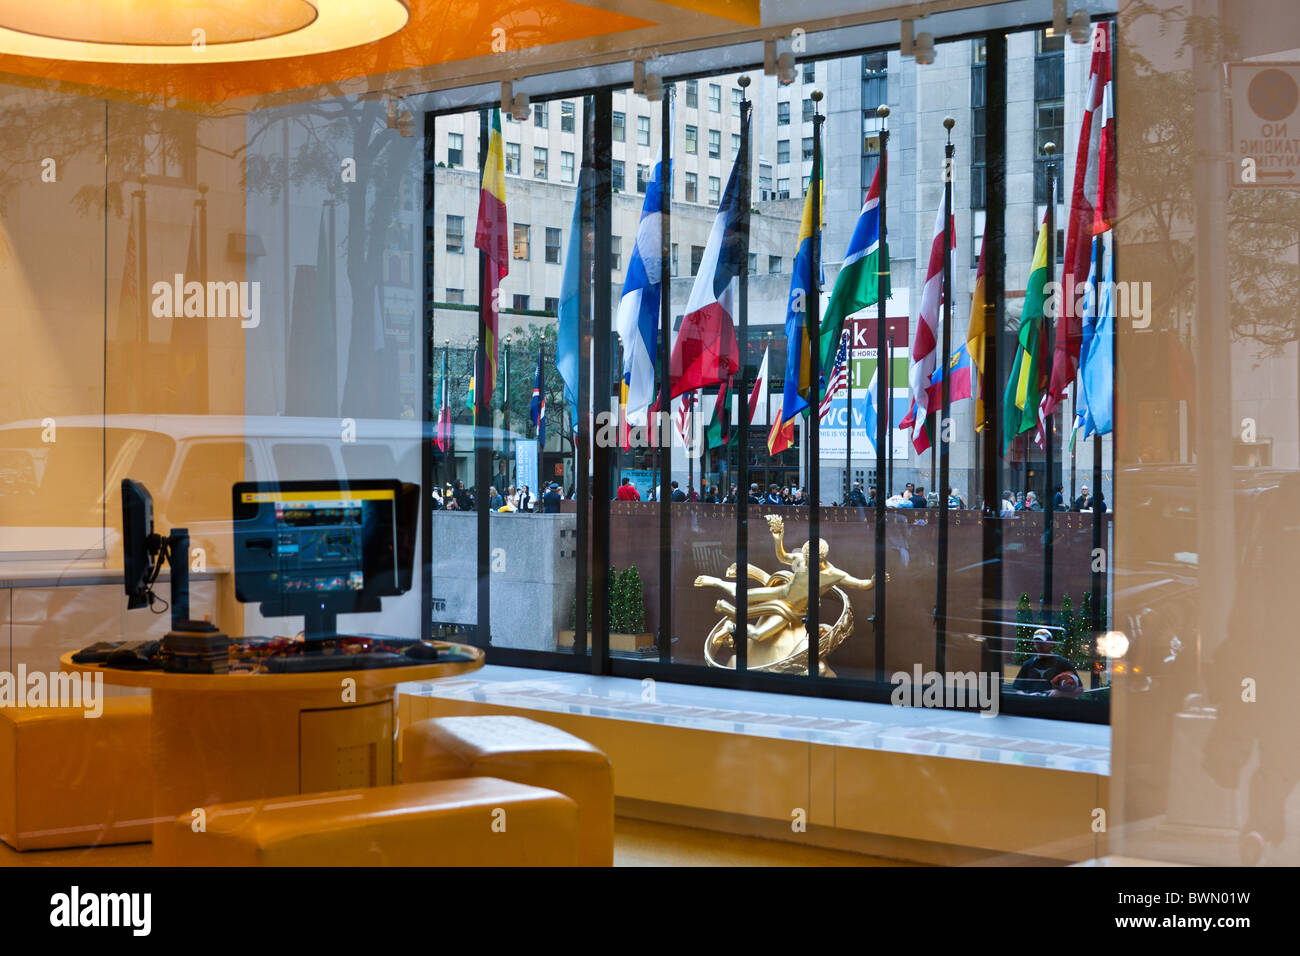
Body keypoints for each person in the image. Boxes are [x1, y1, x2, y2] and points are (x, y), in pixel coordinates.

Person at [1011, 628, 1083, 697]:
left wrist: (1060, 694)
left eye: (1043, 642)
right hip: (1032, 706)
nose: (1039, 645)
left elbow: (1079, 690)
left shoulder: (1063, 663)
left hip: (1054, 707)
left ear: (1051, 643)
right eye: (1037, 642)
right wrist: (1028, 696)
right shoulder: (1028, 664)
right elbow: (1018, 689)